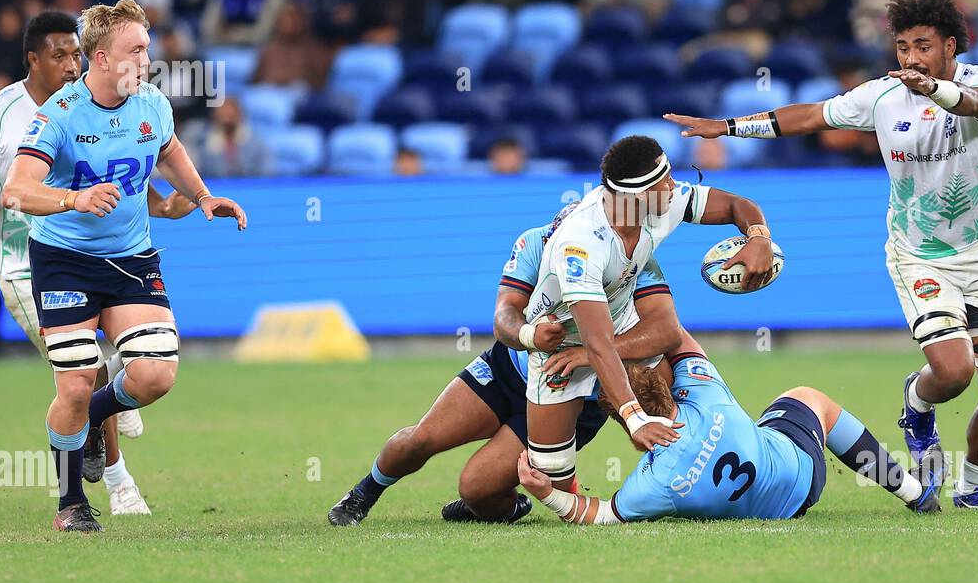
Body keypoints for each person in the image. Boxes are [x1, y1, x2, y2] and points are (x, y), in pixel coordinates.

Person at [667, 0, 978, 509]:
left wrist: (934, 90)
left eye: (923, 46)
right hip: (919, 254)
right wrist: (725, 127)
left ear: (951, 46)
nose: (910, 58)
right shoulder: (882, 96)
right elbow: (809, 116)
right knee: (954, 372)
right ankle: (917, 402)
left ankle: (973, 486)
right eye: (902, 46)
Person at [3, 0, 247, 532]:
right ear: (100, 59)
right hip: (64, 260)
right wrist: (75, 199)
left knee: (156, 376)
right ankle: (71, 503)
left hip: (131, 258)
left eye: (147, 49)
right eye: (135, 51)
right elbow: (17, 192)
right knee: (74, 382)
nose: (146, 60)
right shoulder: (60, 116)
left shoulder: (152, 104)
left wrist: (204, 197)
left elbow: (170, 151)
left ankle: (93, 418)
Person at [0, 10, 196, 515]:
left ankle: (103, 431)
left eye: (75, 53)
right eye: (59, 55)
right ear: (32, 60)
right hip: (28, 261)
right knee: (80, 376)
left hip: (119, 255)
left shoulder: (131, 103)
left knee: (127, 375)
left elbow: (135, 176)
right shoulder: (0, 115)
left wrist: (185, 200)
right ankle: (106, 489)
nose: (70, 65)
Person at [327, 213, 683, 526]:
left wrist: (591, 354)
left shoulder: (629, 255)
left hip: (567, 397)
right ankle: (363, 492)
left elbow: (664, 331)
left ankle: (501, 505)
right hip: (511, 368)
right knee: (422, 438)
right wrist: (529, 334)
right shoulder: (537, 241)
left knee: (476, 489)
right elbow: (504, 317)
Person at [521, 135, 775, 496]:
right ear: (638, 196)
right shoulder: (581, 245)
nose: (675, 187)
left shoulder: (660, 202)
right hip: (562, 342)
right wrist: (632, 417)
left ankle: (708, 481)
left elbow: (737, 204)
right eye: (665, 181)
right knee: (551, 479)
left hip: (619, 319)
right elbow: (596, 342)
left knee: (665, 414)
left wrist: (759, 237)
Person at [517, 332, 943, 524]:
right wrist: (604, 350)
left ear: (620, 416)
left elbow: (599, 514)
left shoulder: (653, 483)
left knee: (761, 428)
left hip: (777, 511)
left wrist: (547, 494)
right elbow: (673, 335)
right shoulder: (706, 398)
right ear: (667, 385)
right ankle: (912, 491)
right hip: (799, 473)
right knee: (811, 399)